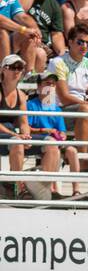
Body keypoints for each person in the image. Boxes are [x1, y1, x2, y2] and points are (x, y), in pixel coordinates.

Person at [24, 68, 79, 193]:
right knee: (55, 150)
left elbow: (62, 131)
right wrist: (45, 130)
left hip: (54, 142)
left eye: (53, 84)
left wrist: (62, 135)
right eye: (47, 83)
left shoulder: (56, 108)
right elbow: (27, 128)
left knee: (73, 151)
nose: (51, 86)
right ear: (39, 87)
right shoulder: (31, 105)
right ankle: (52, 189)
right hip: (39, 142)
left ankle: (76, 190)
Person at [47, 18, 88, 142]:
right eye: (80, 42)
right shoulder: (58, 62)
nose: (84, 46)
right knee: (86, 110)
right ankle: (83, 158)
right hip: (59, 112)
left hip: (82, 109)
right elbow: (64, 97)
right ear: (70, 42)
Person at [13, 0, 60, 69]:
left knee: (40, 53)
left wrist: (62, 54)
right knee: (32, 42)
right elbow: (18, 11)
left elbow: (57, 34)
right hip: (18, 41)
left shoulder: (54, 5)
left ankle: (34, 82)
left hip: (41, 46)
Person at [0, 52, 33, 194]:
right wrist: (15, 134)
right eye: (13, 67)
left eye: (20, 68)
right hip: (7, 134)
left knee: (51, 145)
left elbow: (24, 122)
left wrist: (26, 135)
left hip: (10, 136)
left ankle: (48, 190)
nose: (17, 71)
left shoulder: (21, 94)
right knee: (17, 142)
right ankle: (19, 187)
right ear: (3, 69)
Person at [0, 0, 41, 69]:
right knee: (2, 32)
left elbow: (23, 17)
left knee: (30, 34)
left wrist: (35, 30)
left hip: (6, 44)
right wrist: (23, 29)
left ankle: (29, 74)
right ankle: (5, 71)